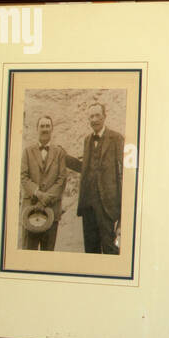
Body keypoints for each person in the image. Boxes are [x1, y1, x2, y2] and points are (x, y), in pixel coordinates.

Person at [65, 102, 124, 254]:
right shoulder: (87, 140)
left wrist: (123, 206)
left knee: (110, 250)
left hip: (107, 206)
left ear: (105, 116)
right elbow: (86, 168)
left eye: (97, 115)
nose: (94, 119)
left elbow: (125, 172)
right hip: (88, 206)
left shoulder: (116, 138)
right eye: (91, 116)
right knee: (91, 251)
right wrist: (64, 158)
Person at [19, 114, 68, 250]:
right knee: (29, 254)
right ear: (37, 129)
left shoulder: (59, 153)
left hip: (52, 211)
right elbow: (23, 177)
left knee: (48, 254)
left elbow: (62, 179)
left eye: (48, 126)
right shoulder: (27, 152)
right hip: (30, 210)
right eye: (42, 126)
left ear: (52, 129)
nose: (45, 129)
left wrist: (45, 200)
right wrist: (38, 193)